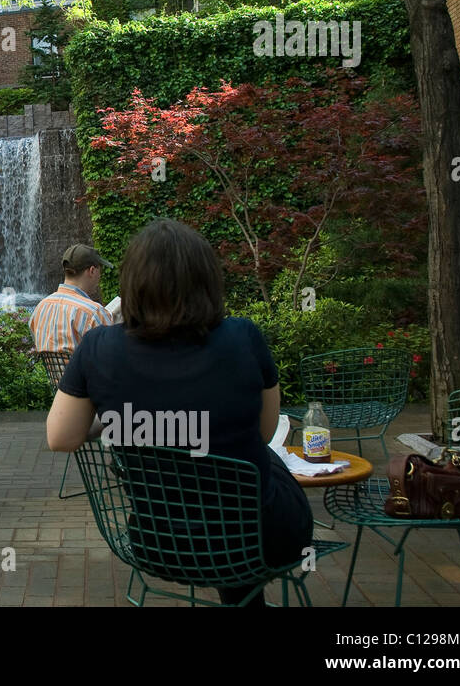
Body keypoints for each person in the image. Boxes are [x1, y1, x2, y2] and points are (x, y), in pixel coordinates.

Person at [45, 218, 311, 607]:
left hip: (158, 542)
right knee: (261, 462)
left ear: (132, 285)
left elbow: (61, 437)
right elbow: (266, 429)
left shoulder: (98, 346)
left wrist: (124, 420)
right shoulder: (243, 336)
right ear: (206, 280)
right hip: (258, 539)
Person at [28, 243, 114, 357]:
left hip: (55, 375)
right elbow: (113, 358)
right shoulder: (94, 313)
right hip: (86, 375)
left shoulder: (40, 308)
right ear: (92, 271)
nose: (100, 276)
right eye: (100, 270)